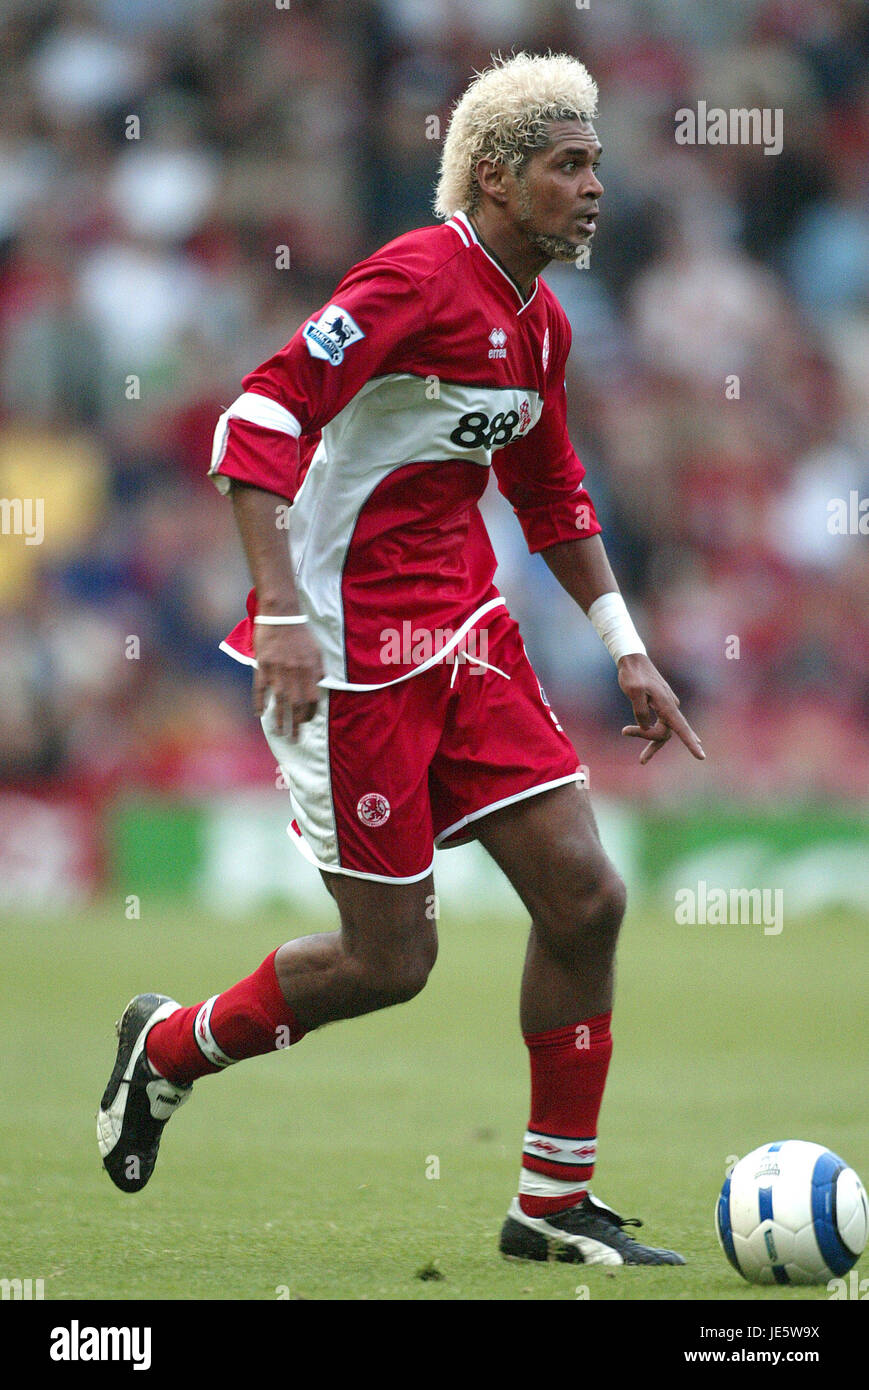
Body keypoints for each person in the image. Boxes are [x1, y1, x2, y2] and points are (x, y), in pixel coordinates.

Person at [97, 51, 703, 1266]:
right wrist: (277, 612)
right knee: (390, 964)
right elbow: (258, 417)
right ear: (493, 173)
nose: (593, 187)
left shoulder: (541, 324)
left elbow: (552, 494)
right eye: (565, 164)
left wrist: (625, 649)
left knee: (586, 895)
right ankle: (167, 1049)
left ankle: (549, 1204)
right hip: (348, 658)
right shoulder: (415, 275)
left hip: (467, 637)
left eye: (596, 164)